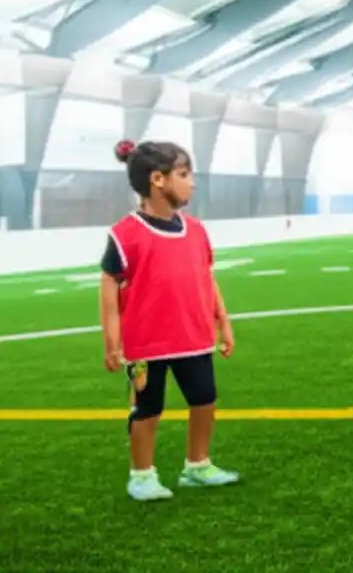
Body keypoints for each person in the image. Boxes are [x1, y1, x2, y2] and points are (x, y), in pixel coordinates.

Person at [101, 140, 239, 502]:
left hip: (193, 337)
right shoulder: (123, 235)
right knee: (147, 408)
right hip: (146, 344)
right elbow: (109, 295)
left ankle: (197, 465)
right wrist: (112, 344)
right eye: (184, 174)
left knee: (205, 399)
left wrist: (222, 317)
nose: (192, 182)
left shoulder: (195, 230)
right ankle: (142, 475)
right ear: (158, 179)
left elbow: (206, 277)